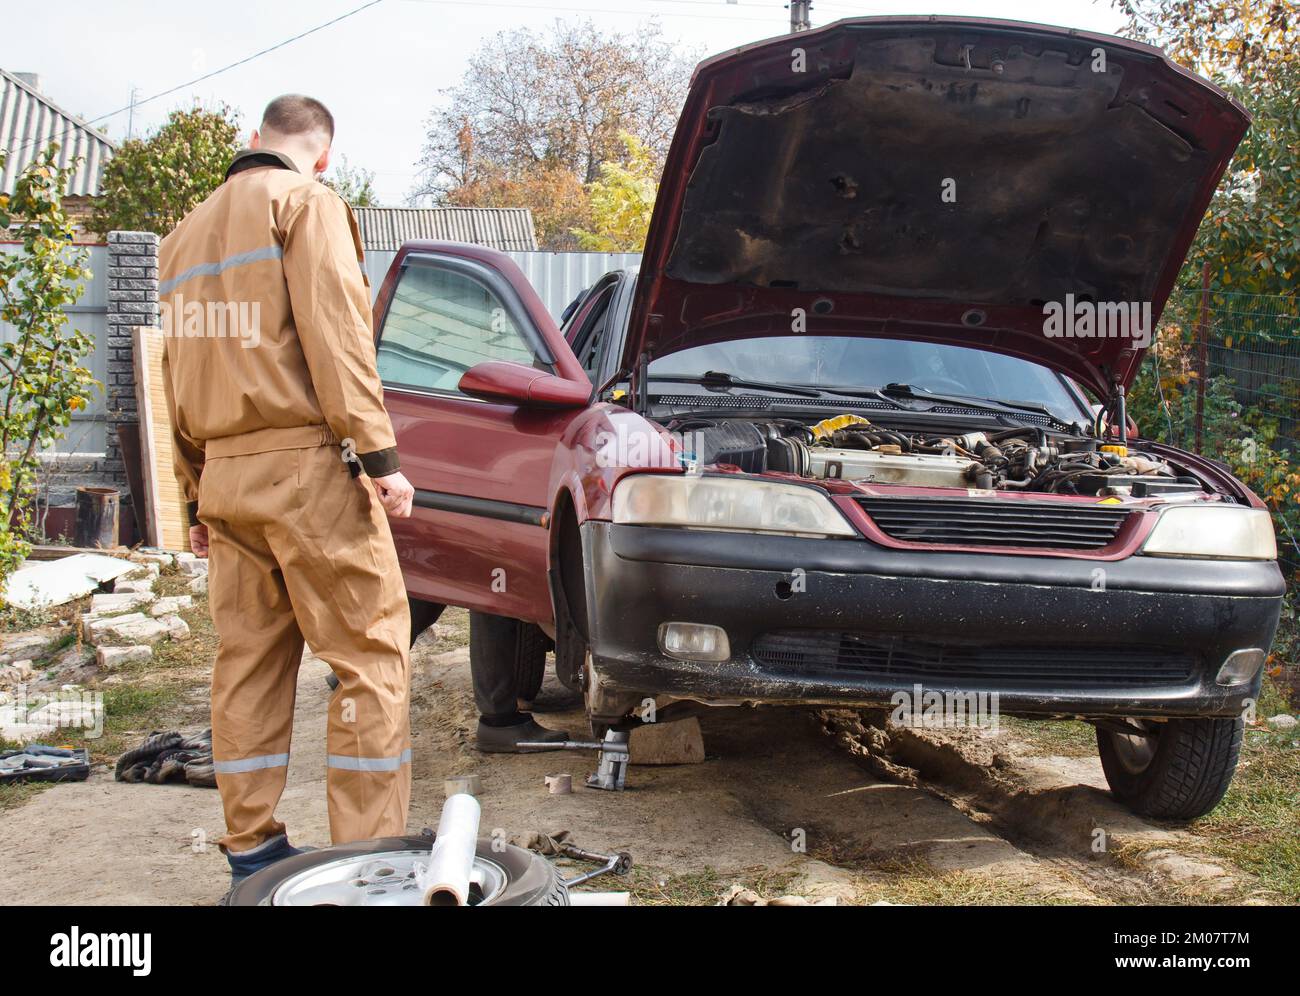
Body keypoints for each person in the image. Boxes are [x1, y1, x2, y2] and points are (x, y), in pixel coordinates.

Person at [158, 94, 416, 894]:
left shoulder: (183, 237)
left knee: (248, 665)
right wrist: (380, 458)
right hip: (305, 469)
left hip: (227, 479)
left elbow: (176, 368)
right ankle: (368, 859)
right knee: (369, 658)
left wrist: (195, 487)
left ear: (252, 141)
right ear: (324, 154)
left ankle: (253, 854)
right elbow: (337, 335)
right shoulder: (307, 203)